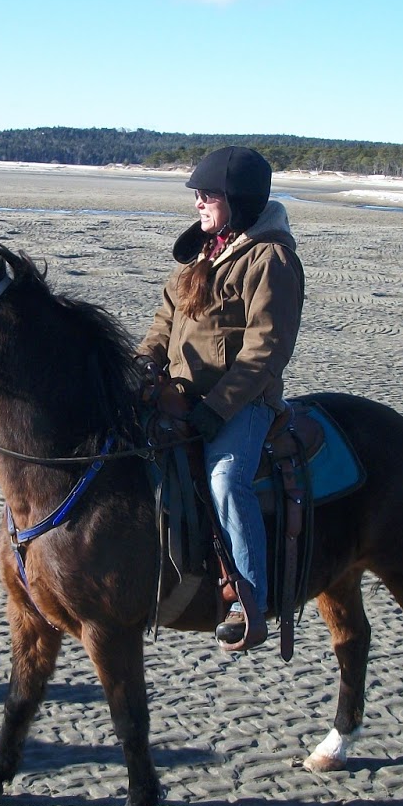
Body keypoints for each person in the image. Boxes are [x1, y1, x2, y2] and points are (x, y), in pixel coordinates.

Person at [137, 146, 305, 652]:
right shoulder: (202, 253)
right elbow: (164, 325)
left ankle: (247, 596)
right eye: (197, 195)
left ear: (239, 199)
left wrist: (216, 411)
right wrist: (142, 363)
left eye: (208, 195)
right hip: (180, 394)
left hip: (242, 403)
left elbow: (265, 352)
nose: (199, 204)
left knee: (225, 478)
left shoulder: (270, 258)